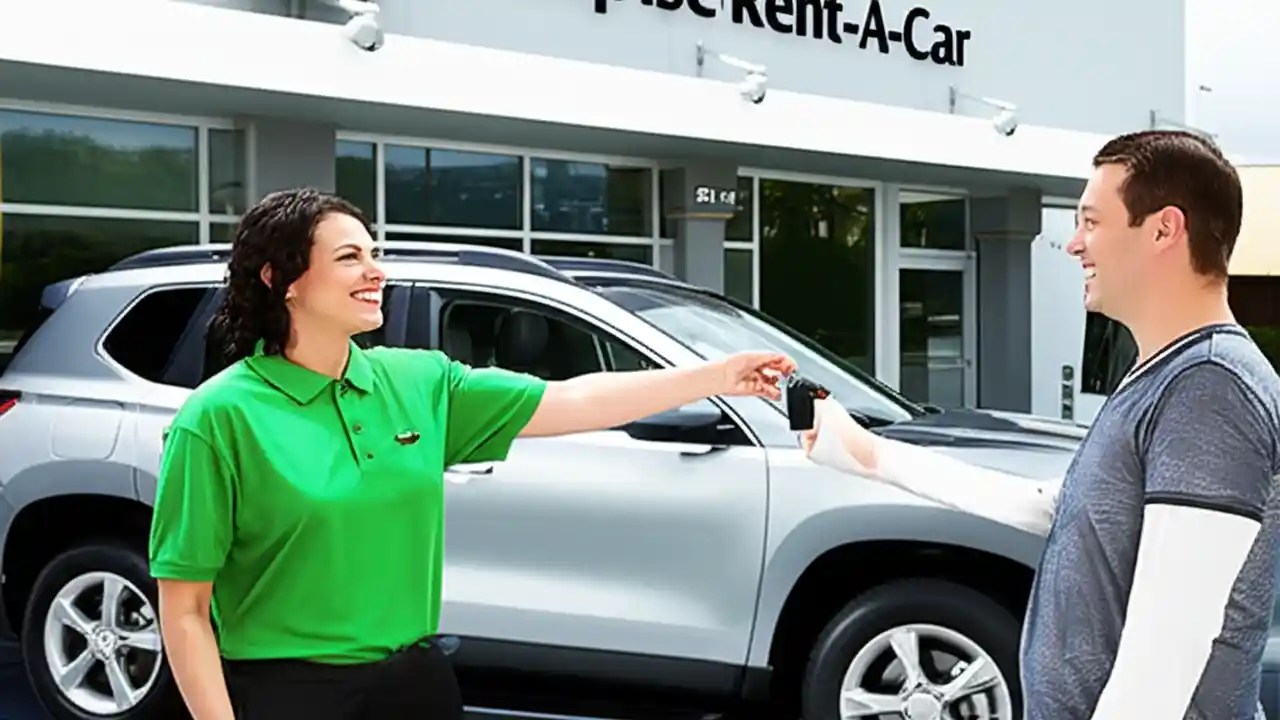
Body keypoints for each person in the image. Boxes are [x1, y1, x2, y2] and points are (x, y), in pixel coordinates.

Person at [148, 187, 797, 720]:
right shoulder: (219, 418)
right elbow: (183, 610)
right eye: (350, 257)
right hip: (285, 696)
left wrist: (716, 376)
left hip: (415, 687)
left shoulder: (421, 383)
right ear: (279, 278)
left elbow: (574, 401)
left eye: (375, 254)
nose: (377, 271)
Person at [802, 130, 1280, 720]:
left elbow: (1170, 647)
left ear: (1163, 229)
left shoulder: (1210, 388)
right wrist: (863, 452)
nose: (1074, 245)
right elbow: (1061, 509)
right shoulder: (1166, 373)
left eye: (1092, 222)